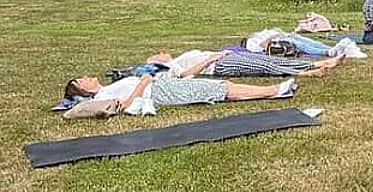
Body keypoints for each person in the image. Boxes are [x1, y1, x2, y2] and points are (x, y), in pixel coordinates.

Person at [63, 73, 297, 113]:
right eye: (82, 80)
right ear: (82, 89)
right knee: (219, 89)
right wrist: (142, 86)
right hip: (160, 91)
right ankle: (275, 91)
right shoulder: (102, 97)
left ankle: (275, 91)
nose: (88, 77)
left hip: (161, 86)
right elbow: (121, 105)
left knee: (219, 87)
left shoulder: (106, 89)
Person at [146, 49, 344, 78]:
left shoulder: (179, 56)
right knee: (264, 68)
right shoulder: (173, 66)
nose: (162, 52)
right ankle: (308, 72)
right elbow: (186, 75)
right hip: (218, 66)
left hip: (223, 57)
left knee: (269, 59)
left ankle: (319, 64)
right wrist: (210, 59)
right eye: (158, 54)